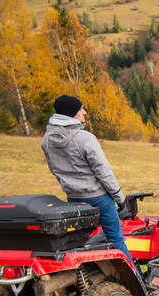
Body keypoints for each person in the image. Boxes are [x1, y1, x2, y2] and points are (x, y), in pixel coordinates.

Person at [41, 94, 130, 255]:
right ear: (73, 113)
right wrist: (120, 198)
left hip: (73, 199)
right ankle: (136, 278)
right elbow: (103, 172)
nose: (85, 112)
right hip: (98, 198)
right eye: (81, 109)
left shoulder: (47, 139)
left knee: (82, 243)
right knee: (116, 239)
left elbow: (55, 169)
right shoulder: (85, 138)